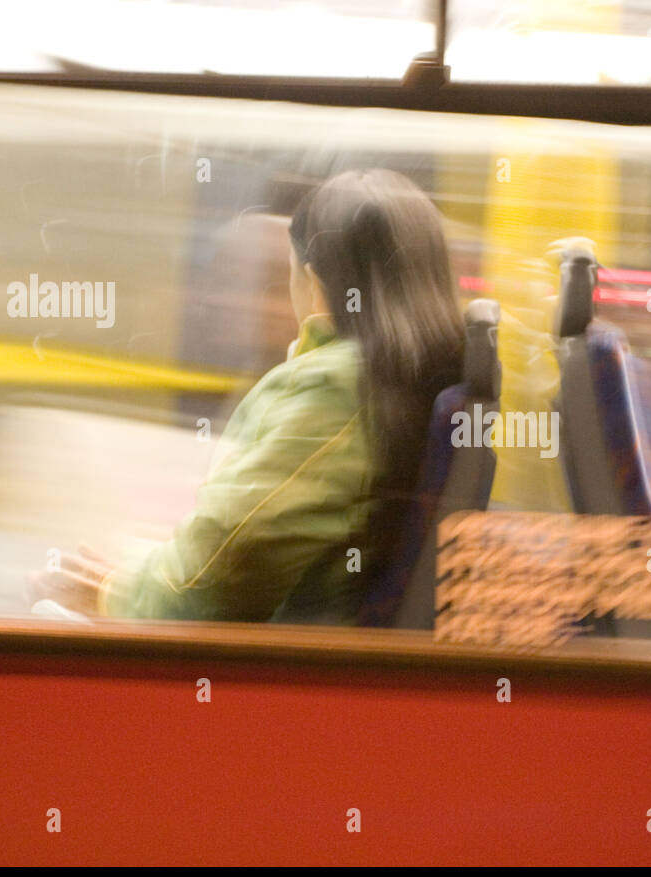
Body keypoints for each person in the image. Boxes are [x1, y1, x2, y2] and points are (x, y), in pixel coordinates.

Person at [30, 169, 466, 622]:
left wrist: (110, 597)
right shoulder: (426, 372)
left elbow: (208, 587)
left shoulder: (331, 390)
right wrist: (132, 578)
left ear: (313, 282)